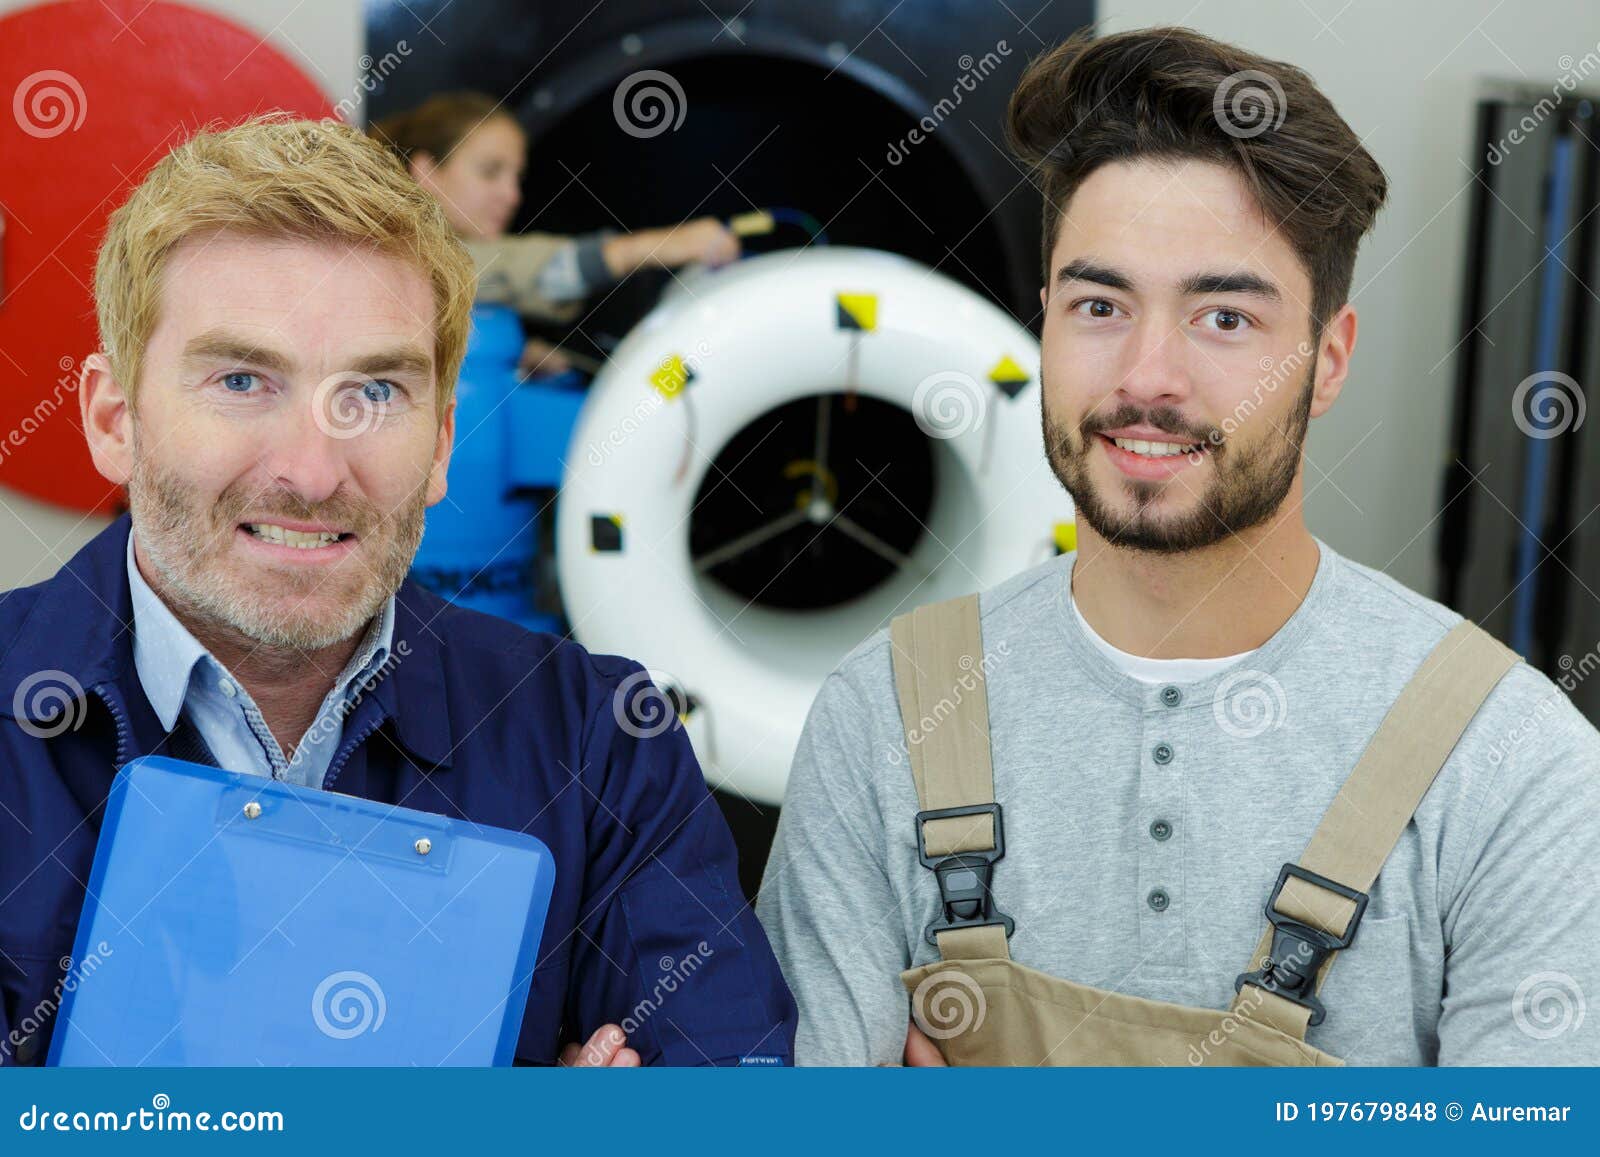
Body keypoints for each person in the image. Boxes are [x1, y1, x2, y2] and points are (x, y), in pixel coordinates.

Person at [757, 26, 1600, 1066]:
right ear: (1045, 321)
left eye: (1223, 317)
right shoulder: (881, 713)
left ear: (1328, 359)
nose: (1146, 377)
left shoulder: (1514, 764)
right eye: (1100, 305)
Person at [0, 115, 794, 1067]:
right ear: (113, 419)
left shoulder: (598, 742)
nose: (311, 471)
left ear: (443, 442)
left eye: (374, 393)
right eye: (243, 380)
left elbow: (737, 1107)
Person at [370, 91, 739, 378]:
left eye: (516, 177)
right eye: (490, 172)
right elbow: (504, 268)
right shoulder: (393, 253)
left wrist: (518, 353)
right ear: (427, 171)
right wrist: (655, 247)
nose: (511, 195)